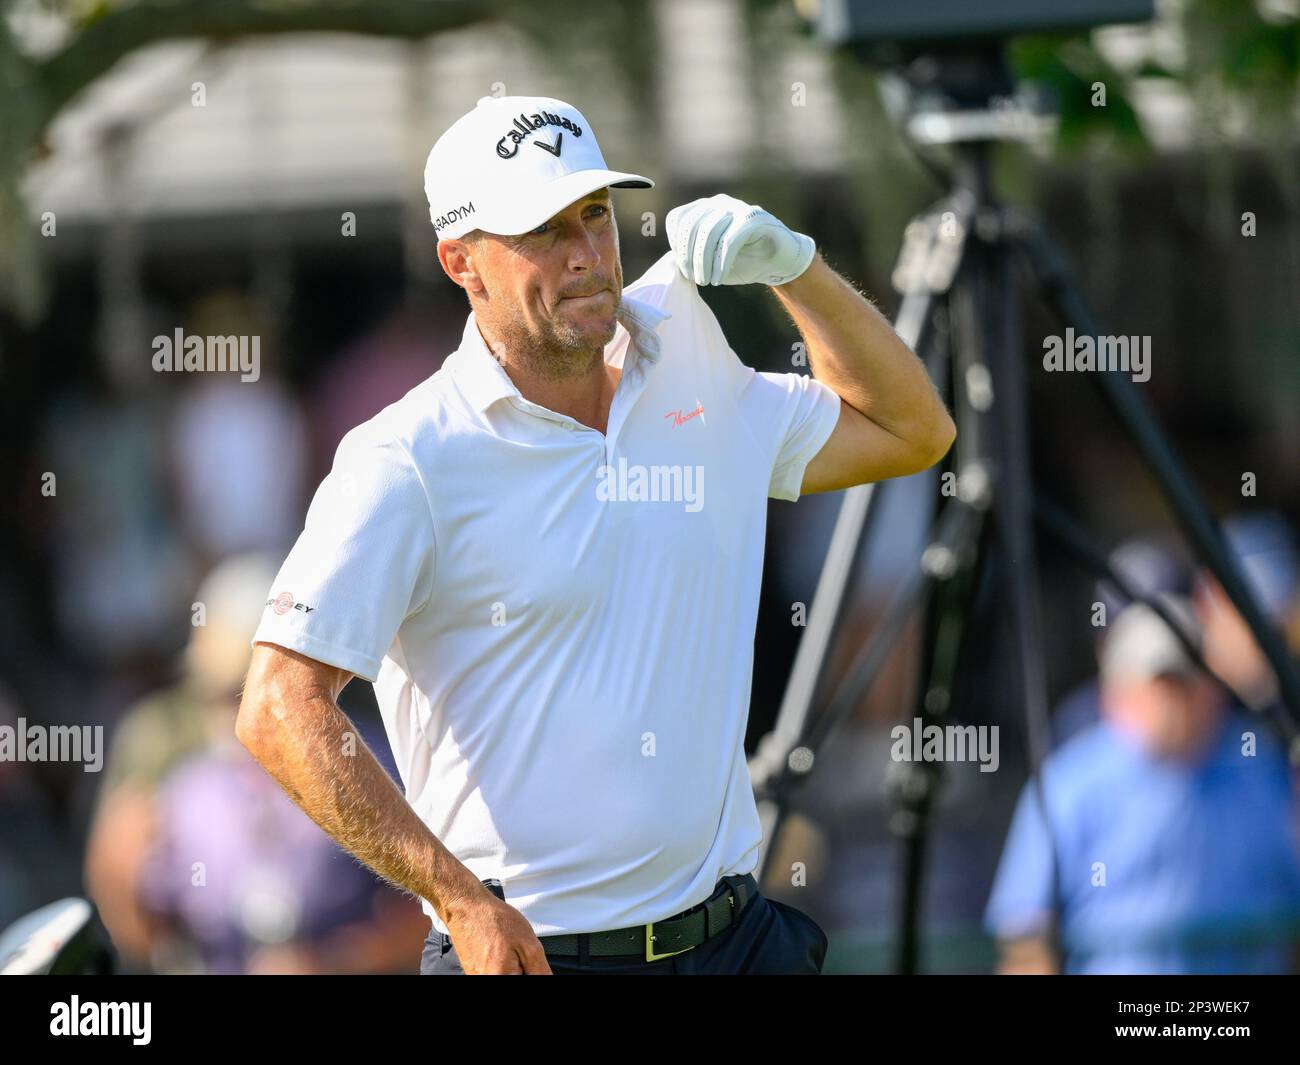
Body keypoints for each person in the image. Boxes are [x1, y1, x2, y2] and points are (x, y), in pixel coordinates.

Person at [237, 94, 956, 975]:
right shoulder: (406, 458)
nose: (584, 255)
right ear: (461, 262)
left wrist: (795, 267)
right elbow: (279, 707)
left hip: (738, 939)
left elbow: (913, 429)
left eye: (596, 215)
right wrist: (459, 899)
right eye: (542, 231)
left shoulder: (693, 366)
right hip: (534, 958)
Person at [985, 593, 1300, 973]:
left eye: (1188, 680)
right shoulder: (1067, 785)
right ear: (1117, 691)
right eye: (1161, 683)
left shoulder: (1264, 771)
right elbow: (1026, 943)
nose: (1177, 701)